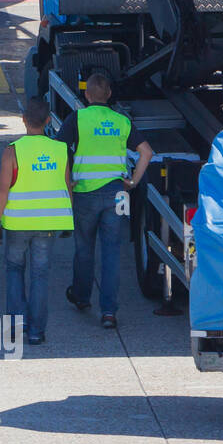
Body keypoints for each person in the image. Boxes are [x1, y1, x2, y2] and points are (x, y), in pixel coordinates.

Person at [58, 73, 154, 329]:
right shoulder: (121, 121)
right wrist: (133, 181)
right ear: (109, 95)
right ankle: (109, 312)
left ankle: (81, 296)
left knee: (84, 248)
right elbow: (147, 152)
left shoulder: (77, 119)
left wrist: (67, 183)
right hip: (118, 193)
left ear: (87, 95)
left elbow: (59, 150)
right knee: (111, 252)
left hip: (85, 193)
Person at [0, 97, 74, 346]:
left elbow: (2, 190)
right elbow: (67, 186)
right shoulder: (60, 150)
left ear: (23, 121)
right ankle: (37, 332)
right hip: (48, 224)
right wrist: (68, 218)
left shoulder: (13, 151)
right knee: (40, 275)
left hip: (17, 224)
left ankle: (17, 327)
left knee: (15, 270)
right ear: (48, 121)